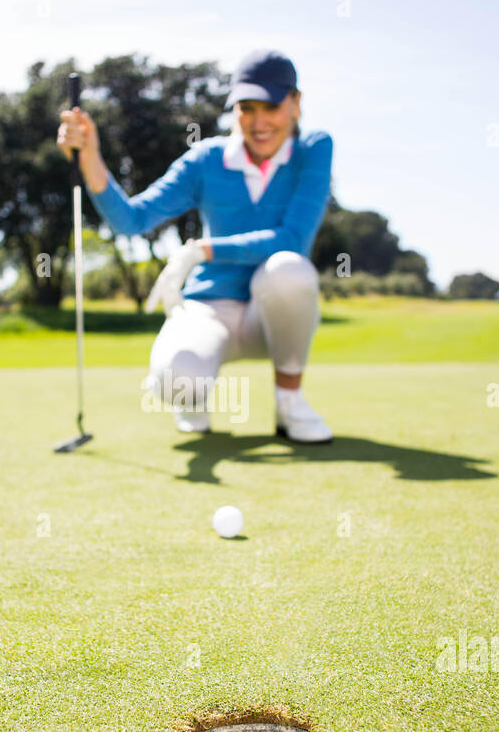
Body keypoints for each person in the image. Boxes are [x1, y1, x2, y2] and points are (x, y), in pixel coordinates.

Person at [57, 49, 334, 443]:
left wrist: (202, 250)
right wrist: (90, 156)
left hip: (270, 314)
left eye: (270, 107)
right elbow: (130, 220)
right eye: (246, 107)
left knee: (288, 268)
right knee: (176, 381)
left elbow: (292, 238)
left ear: (295, 103)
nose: (258, 123)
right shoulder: (206, 159)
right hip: (209, 308)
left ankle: (289, 404)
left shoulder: (314, 150)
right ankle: (191, 397)